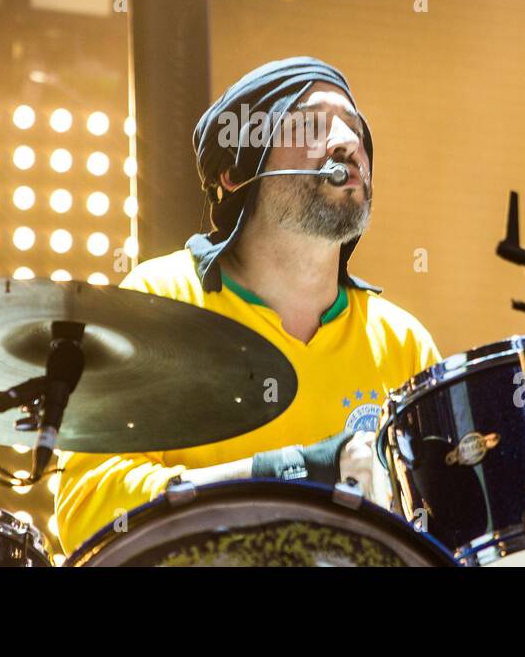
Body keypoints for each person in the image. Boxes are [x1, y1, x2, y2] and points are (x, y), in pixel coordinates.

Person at [53, 57, 441, 554]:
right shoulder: (159, 299)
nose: (349, 143)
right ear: (236, 171)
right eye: (314, 125)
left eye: (357, 130)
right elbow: (88, 511)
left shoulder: (403, 343)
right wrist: (289, 474)